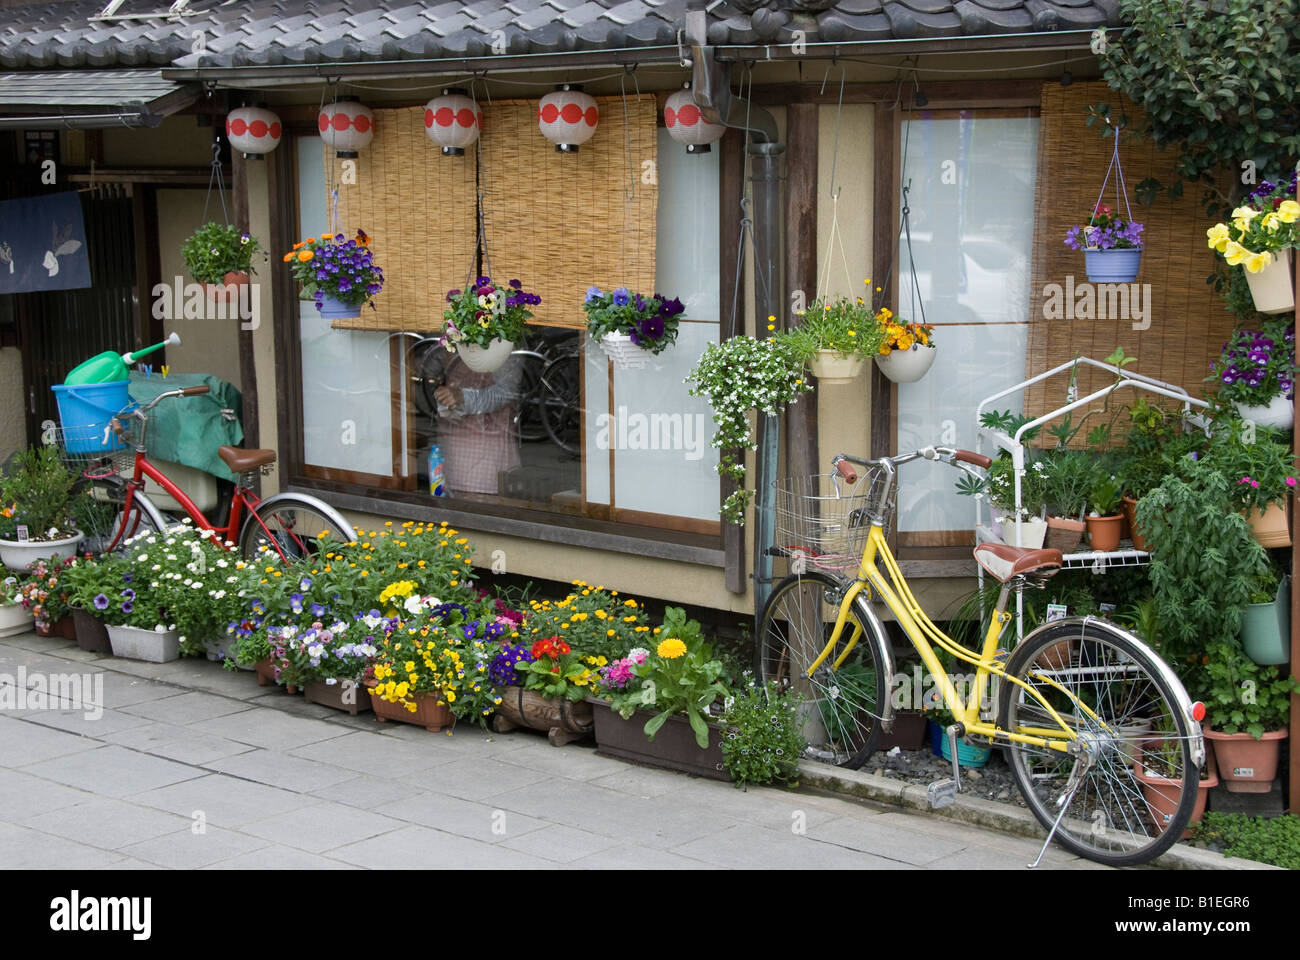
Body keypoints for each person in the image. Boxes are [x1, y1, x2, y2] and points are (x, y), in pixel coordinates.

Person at [423, 346, 522, 495]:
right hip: (453, 437)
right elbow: (429, 367)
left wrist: (464, 397)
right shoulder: (452, 335)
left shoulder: (503, 339)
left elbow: (506, 392)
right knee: (450, 494)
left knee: (481, 500)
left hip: (487, 441)